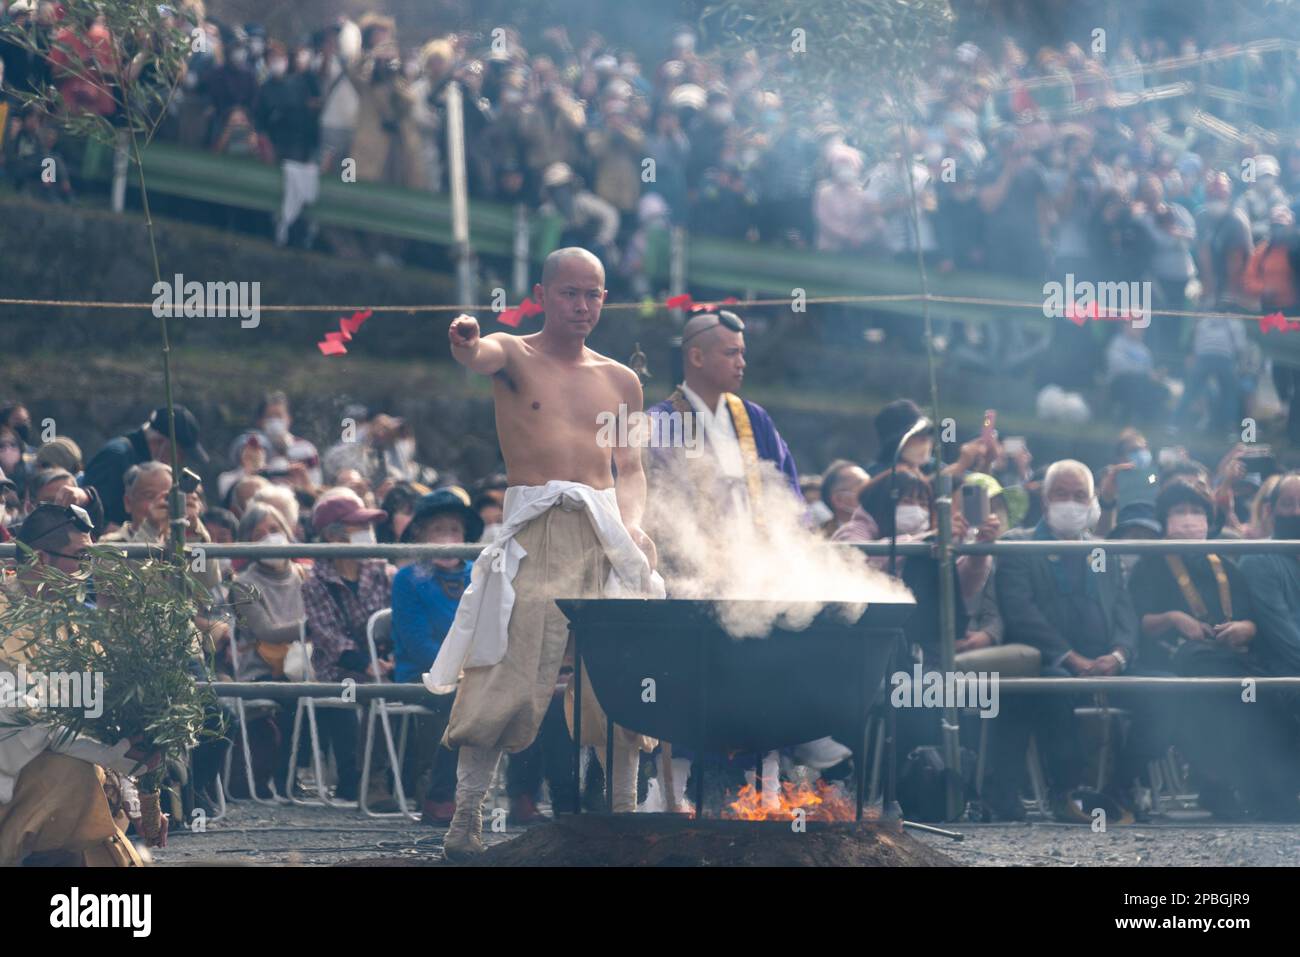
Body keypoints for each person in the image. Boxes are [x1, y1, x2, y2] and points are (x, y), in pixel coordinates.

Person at [425, 247, 662, 860]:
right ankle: (468, 818)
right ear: (544, 293)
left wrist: (632, 525)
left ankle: (623, 817)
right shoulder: (513, 354)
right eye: (570, 293)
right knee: (506, 666)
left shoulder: (621, 380)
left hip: (607, 529)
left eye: (594, 294)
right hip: (539, 527)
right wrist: (465, 339)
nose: (583, 306)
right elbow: (477, 356)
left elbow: (630, 468)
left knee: (618, 670)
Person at [0, 504, 163, 865]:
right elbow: (38, 724)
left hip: (62, 780)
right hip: (13, 782)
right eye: (80, 557)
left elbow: (97, 716)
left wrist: (138, 791)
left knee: (96, 787)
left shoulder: (73, 621)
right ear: (41, 559)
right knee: (74, 778)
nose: (88, 569)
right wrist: (115, 756)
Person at [1126, 480, 1296, 818]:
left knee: (1267, 696)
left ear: (1209, 519)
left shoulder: (1228, 565)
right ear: (1165, 519)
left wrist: (1244, 629)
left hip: (1232, 660)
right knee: (1214, 684)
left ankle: (1270, 792)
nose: (1189, 519)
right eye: (1179, 512)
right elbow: (1139, 621)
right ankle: (1219, 784)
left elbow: (1252, 622)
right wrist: (1174, 618)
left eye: (1197, 511)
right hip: (1172, 658)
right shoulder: (1150, 565)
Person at [995, 459, 1140, 817]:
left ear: (1092, 502)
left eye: (1080, 495)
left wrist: (1119, 655)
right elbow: (1020, 613)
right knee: (1054, 688)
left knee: (1164, 690)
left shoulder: (1100, 551)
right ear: (1044, 501)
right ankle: (1069, 793)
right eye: (1061, 494)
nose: (1071, 502)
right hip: (1050, 663)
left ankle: (1121, 789)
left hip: (1106, 663)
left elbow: (1123, 608)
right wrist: (1070, 657)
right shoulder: (1018, 545)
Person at [391, 489, 478, 824]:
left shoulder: (479, 574)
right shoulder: (408, 579)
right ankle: (439, 795)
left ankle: (521, 796)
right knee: (457, 698)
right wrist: (458, 671)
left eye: (453, 530)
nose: (446, 539)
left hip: (473, 671)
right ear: (422, 536)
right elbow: (417, 644)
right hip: (422, 672)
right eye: (437, 530)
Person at [300, 489, 393, 802]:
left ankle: (402, 778)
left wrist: (389, 658)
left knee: (405, 684)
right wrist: (365, 663)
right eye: (359, 527)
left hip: (385, 661)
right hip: (340, 668)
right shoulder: (314, 583)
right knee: (358, 690)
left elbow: (397, 620)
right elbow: (328, 636)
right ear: (333, 536)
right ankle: (359, 777)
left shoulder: (382, 570)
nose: (368, 533)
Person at [228, 503, 307, 797]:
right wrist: (310, 627)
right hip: (262, 669)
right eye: (259, 534)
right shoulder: (243, 585)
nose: (270, 538)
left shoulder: (303, 575)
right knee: (294, 698)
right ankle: (285, 781)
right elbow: (265, 632)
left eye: (274, 530)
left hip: (305, 664)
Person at [82, 406, 209, 530]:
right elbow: (89, 511)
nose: (180, 460)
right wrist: (124, 537)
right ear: (160, 442)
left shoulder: (145, 459)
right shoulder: (115, 457)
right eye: (179, 453)